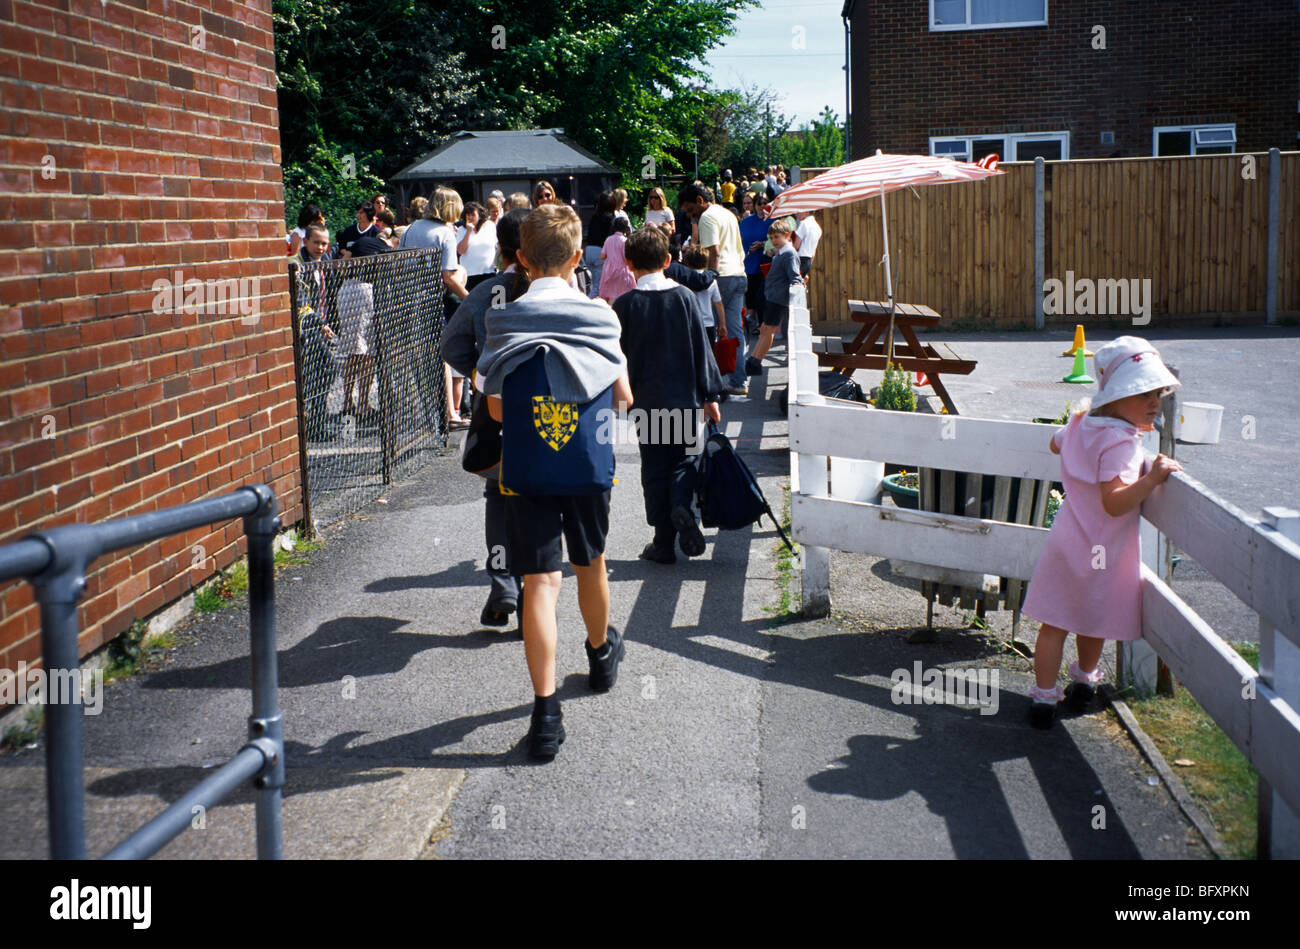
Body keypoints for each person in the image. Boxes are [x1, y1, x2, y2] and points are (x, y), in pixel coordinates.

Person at [476, 203, 634, 760]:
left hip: (526, 468)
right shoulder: (601, 316)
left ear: (519, 257)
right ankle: (599, 654)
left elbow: (495, 411)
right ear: (576, 256)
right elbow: (624, 398)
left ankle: (545, 716)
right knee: (591, 561)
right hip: (585, 464)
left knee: (540, 583)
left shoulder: (502, 320)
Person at [1021, 337, 1183, 730]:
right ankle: (1083, 680)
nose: (1154, 402)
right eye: (1142, 393)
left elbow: (1054, 442)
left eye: (1157, 394)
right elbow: (1114, 502)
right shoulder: (1122, 443)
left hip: (1066, 543)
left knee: (1054, 622)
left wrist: (1078, 432)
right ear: (1117, 397)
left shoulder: (1081, 423)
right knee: (1092, 618)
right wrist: (1154, 477)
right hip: (1103, 548)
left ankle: (1044, 698)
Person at [613, 225, 724, 565]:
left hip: (646, 403)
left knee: (655, 469)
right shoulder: (685, 298)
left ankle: (662, 543)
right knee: (686, 461)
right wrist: (710, 394)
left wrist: (618, 403)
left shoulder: (625, 305)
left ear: (628, 263)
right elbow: (700, 348)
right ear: (667, 259)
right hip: (686, 399)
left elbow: (618, 358)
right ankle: (681, 505)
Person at [443, 208, 532, 629]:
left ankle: (503, 581)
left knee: (499, 495)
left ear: (502, 249)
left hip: (495, 408)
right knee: (539, 500)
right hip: (549, 412)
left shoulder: (485, 292)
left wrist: (480, 372)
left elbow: (451, 346)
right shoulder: (559, 290)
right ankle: (534, 593)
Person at [401, 186, 470, 426]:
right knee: (441, 358)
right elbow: (448, 277)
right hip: (432, 300)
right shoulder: (445, 233)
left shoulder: (411, 229)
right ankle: (450, 413)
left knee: (420, 360)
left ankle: (431, 413)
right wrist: (469, 299)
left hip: (408, 298)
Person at [678, 182, 748, 396]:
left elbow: (714, 253)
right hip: (738, 273)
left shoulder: (707, 217)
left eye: (690, 210)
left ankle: (714, 382)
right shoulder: (727, 213)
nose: (691, 216)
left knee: (712, 330)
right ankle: (738, 380)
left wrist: (708, 278)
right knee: (735, 329)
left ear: (700, 201)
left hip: (722, 276)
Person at [296, 223, 338, 439]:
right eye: (316, 242)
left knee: (325, 372)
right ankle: (315, 424)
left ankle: (317, 421)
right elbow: (302, 303)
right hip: (307, 330)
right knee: (323, 370)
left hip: (321, 327)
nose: (320, 247)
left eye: (324, 243)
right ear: (305, 242)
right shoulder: (298, 266)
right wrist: (319, 324)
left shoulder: (324, 263)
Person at [746, 218, 802, 376]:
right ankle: (753, 359)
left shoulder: (789, 253)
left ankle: (755, 362)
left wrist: (798, 284)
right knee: (764, 329)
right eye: (771, 238)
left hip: (778, 298)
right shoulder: (782, 252)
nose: (773, 241)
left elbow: (794, 276)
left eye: (777, 237)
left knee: (769, 329)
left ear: (787, 235)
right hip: (772, 297)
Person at [739, 192, 769, 336]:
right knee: (750, 293)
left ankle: (761, 323)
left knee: (760, 295)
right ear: (755, 205)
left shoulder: (772, 220)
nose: (762, 206)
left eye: (765, 203)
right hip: (748, 261)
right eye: (759, 203)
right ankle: (750, 319)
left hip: (764, 262)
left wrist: (762, 244)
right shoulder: (746, 221)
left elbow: (778, 239)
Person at [682, 244, 723, 345]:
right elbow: (718, 304)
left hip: (690, 323)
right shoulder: (712, 281)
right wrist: (723, 324)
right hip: (708, 323)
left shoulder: (684, 278)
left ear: (688, 262)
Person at [456, 201, 497, 290]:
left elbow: (497, 245)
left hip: (488, 272)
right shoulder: (461, 230)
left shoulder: (490, 226)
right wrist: (468, 231)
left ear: (479, 215)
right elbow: (460, 251)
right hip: (469, 275)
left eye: (473, 215)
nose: (470, 217)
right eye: (468, 215)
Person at [584, 191, 615, 299]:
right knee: (598, 287)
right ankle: (588, 304)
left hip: (588, 250)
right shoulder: (610, 220)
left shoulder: (594, 217)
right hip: (599, 252)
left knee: (594, 283)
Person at [598, 216, 635, 302]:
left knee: (611, 294)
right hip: (621, 270)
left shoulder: (608, 239)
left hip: (608, 270)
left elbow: (602, 256)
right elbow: (626, 258)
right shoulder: (624, 241)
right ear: (626, 228)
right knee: (623, 294)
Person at [793, 209, 821, 284]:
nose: (797, 213)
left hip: (799, 259)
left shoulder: (804, 224)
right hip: (808, 261)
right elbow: (813, 252)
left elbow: (796, 246)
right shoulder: (817, 227)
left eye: (799, 210)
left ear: (807, 211)